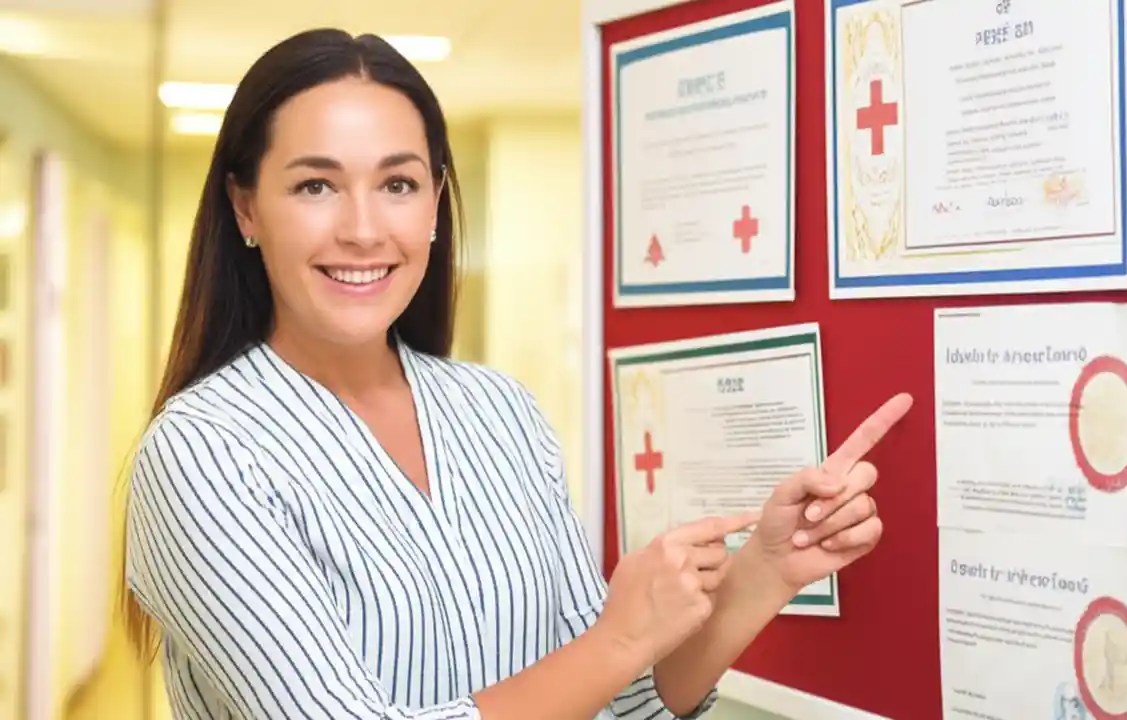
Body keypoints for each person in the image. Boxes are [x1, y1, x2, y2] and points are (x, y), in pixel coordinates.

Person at [120, 28, 912, 720]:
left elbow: (615, 702)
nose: (363, 229)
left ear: (435, 203)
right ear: (246, 208)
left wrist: (764, 571)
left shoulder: (499, 412)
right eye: (315, 185)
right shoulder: (204, 454)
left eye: (398, 184)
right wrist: (619, 637)